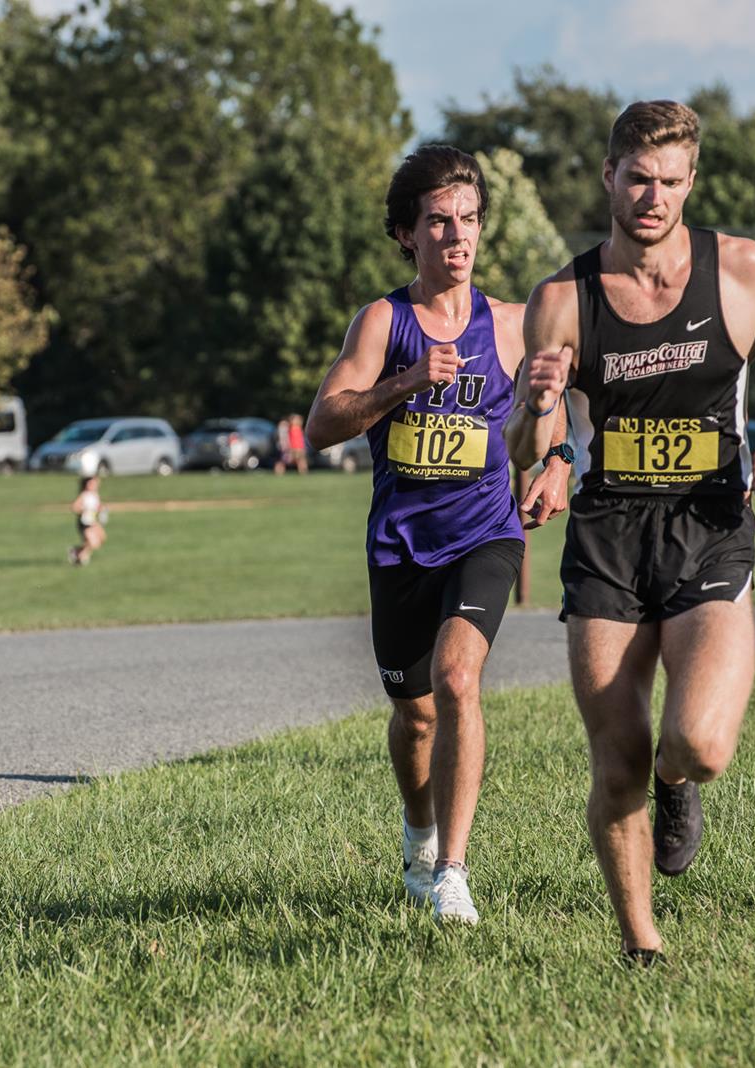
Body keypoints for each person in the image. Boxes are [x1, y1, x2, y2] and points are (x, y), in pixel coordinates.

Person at [506, 100, 755, 961]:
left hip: (710, 524)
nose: (653, 197)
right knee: (616, 760)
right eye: (638, 178)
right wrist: (539, 409)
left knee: (698, 744)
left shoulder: (739, 268)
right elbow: (530, 444)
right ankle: (641, 943)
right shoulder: (562, 298)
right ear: (610, 176)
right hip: (607, 536)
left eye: (671, 181)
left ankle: (677, 783)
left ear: (691, 182)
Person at [306, 144, 571, 926]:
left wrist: (555, 458)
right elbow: (322, 424)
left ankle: (453, 871)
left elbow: (548, 419)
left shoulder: (513, 325)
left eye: (469, 219)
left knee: (458, 680)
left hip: (486, 532)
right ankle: (419, 835)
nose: (457, 236)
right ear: (406, 233)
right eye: (438, 222)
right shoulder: (383, 322)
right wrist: (406, 381)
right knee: (415, 714)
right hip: (400, 544)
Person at [70, 475, 106, 565]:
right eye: (91, 483)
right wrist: (84, 510)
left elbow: (97, 506)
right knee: (92, 542)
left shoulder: (95, 495)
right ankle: (80, 558)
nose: (94, 485)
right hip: (85, 522)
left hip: (94, 521)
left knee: (101, 539)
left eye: (94, 483)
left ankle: (77, 551)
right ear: (86, 485)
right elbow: (74, 507)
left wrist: (100, 509)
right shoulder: (84, 495)